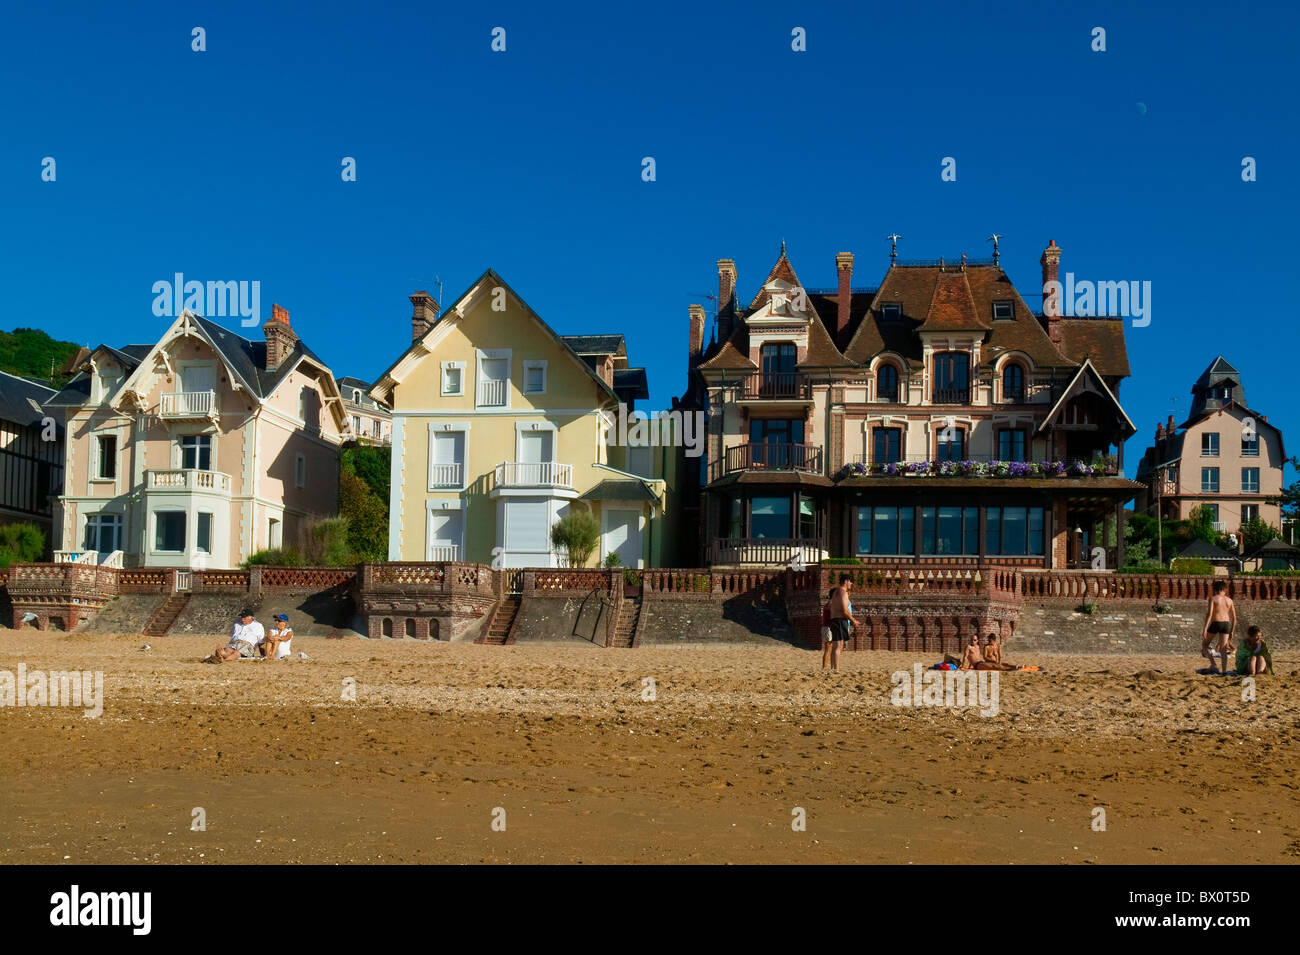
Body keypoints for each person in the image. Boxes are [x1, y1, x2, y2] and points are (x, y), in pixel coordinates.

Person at [1201, 579, 1237, 674]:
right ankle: (1224, 671)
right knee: (1223, 649)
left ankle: (1213, 664)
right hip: (1226, 624)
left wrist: (1205, 629)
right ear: (1225, 589)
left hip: (1216, 622)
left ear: (1215, 589)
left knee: (1205, 645)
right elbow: (1234, 618)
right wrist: (1232, 631)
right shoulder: (1229, 600)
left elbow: (1209, 614)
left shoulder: (1213, 599)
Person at [824, 575, 854, 671]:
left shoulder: (836, 592)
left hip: (835, 621)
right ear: (846, 581)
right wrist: (853, 620)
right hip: (840, 621)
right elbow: (844, 610)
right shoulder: (842, 592)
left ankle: (833, 668)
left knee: (835, 646)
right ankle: (836, 669)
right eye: (850, 581)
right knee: (838, 646)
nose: (851, 583)